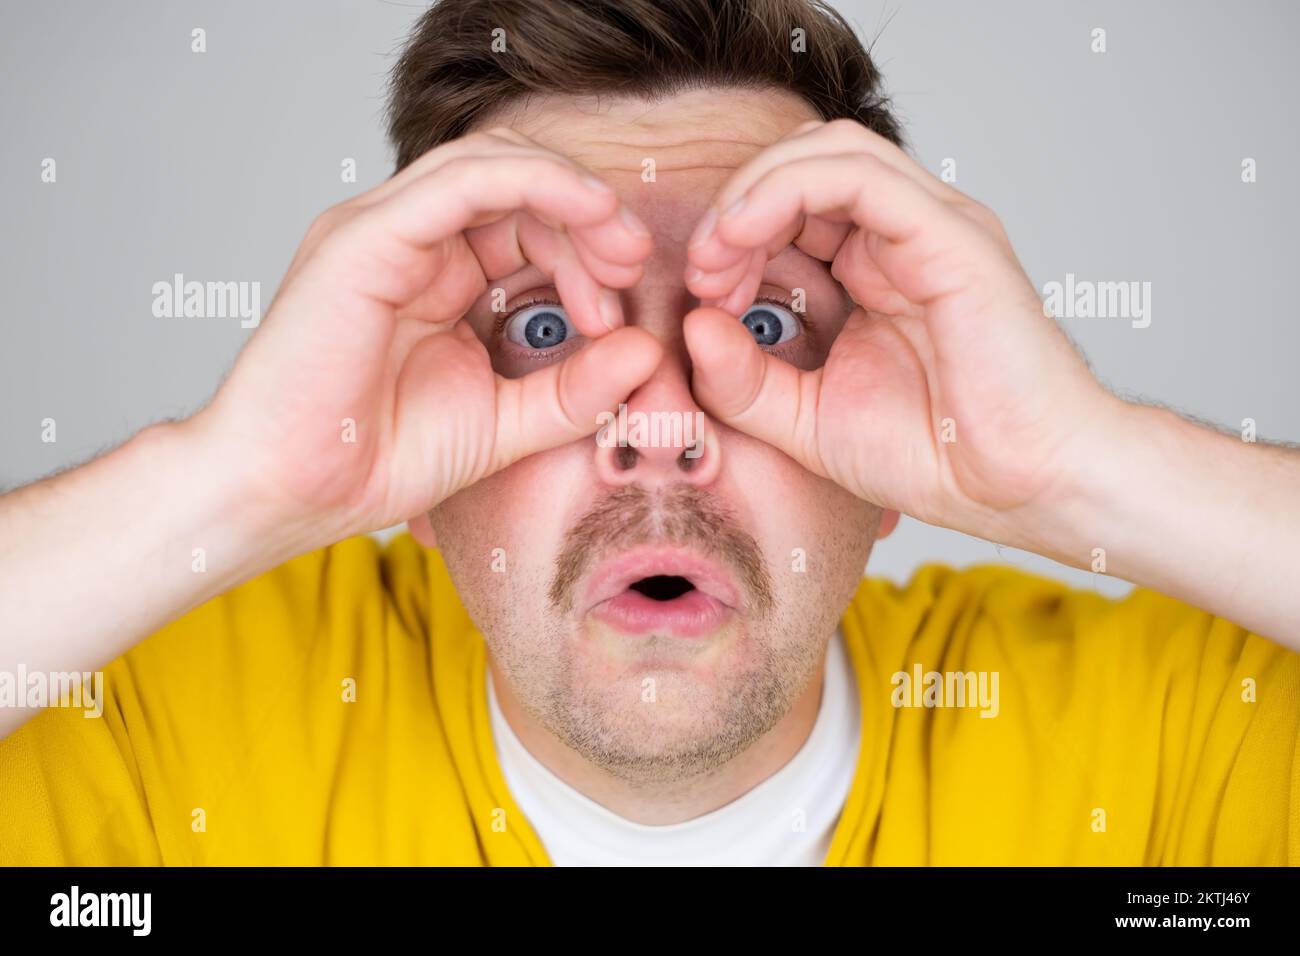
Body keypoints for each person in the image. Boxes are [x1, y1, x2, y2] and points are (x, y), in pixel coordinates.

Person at [1, 0, 1296, 867]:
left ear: (898, 455)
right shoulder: (150, 727)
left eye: (772, 329)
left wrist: (1081, 466)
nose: (663, 428)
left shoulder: (1171, 741)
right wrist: (237, 482)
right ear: (409, 459)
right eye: (546, 333)